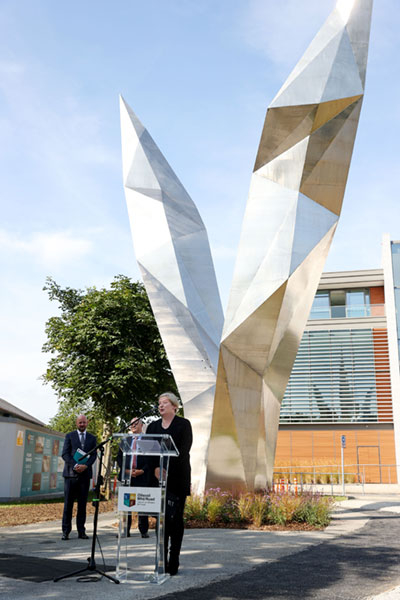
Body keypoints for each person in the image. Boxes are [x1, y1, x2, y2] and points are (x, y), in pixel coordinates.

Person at [146, 392, 192, 576]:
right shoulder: (153, 426)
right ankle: (161, 560)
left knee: (176, 520)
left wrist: (166, 468)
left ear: (174, 406)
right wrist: (156, 469)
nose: (161, 405)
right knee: (161, 522)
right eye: (159, 403)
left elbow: (184, 450)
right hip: (158, 479)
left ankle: (174, 560)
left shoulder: (184, 424)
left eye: (165, 402)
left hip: (177, 478)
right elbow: (148, 450)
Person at [61, 414, 97, 540]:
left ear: (87, 423)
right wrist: (75, 465)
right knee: (68, 505)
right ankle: (66, 531)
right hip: (70, 475)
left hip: (84, 476)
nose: (82, 424)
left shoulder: (92, 438)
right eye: (80, 422)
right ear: (76, 423)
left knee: (82, 505)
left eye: (84, 422)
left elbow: (93, 456)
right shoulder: (69, 436)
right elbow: (65, 454)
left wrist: (85, 466)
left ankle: (81, 531)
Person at [117, 417, 149, 538]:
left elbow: (151, 458)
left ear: (142, 425)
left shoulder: (147, 440)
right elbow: (119, 457)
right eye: (131, 424)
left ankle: (143, 530)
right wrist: (127, 470)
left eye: (136, 423)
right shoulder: (125, 440)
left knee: (142, 504)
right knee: (127, 504)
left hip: (142, 476)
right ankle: (126, 530)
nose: (133, 425)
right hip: (127, 476)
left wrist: (142, 470)